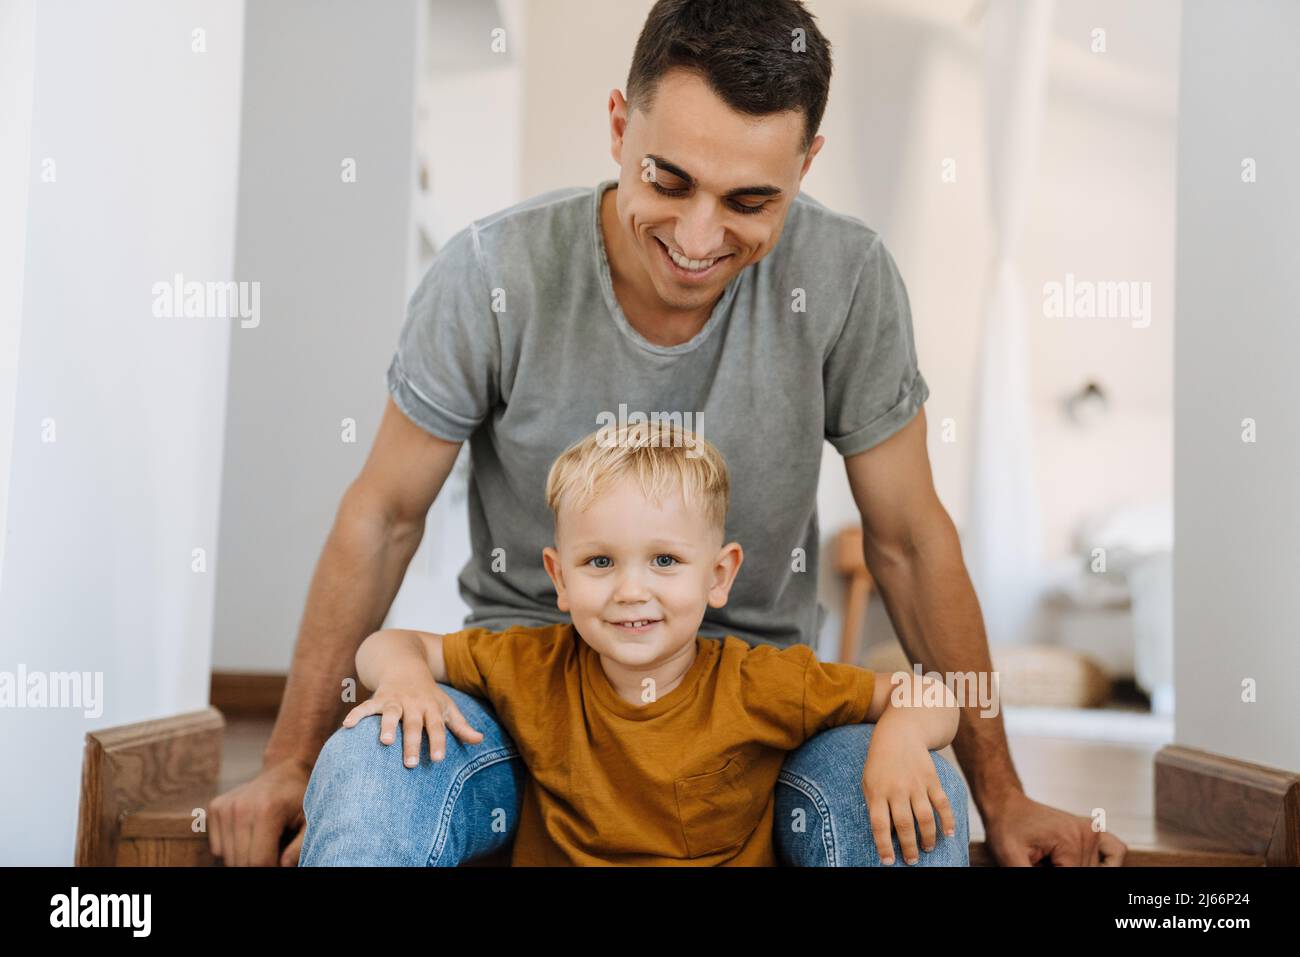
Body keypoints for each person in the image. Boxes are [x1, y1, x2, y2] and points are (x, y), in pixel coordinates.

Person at [208, 0, 1126, 867]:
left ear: (805, 167)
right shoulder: (493, 273)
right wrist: (293, 758)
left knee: (910, 814)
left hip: (766, 714)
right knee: (370, 772)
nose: (698, 237)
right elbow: (383, 516)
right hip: (531, 710)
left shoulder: (847, 280)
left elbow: (911, 541)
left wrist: (999, 796)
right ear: (619, 128)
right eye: (669, 179)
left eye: (749, 202)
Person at [306, 422, 963, 865]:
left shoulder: (761, 682)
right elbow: (388, 643)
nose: (630, 589)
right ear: (559, 578)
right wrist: (406, 680)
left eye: (665, 561)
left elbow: (927, 693)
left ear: (720, 574)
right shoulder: (531, 664)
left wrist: (902, 735)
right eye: (599, 563)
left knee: (930, 780)